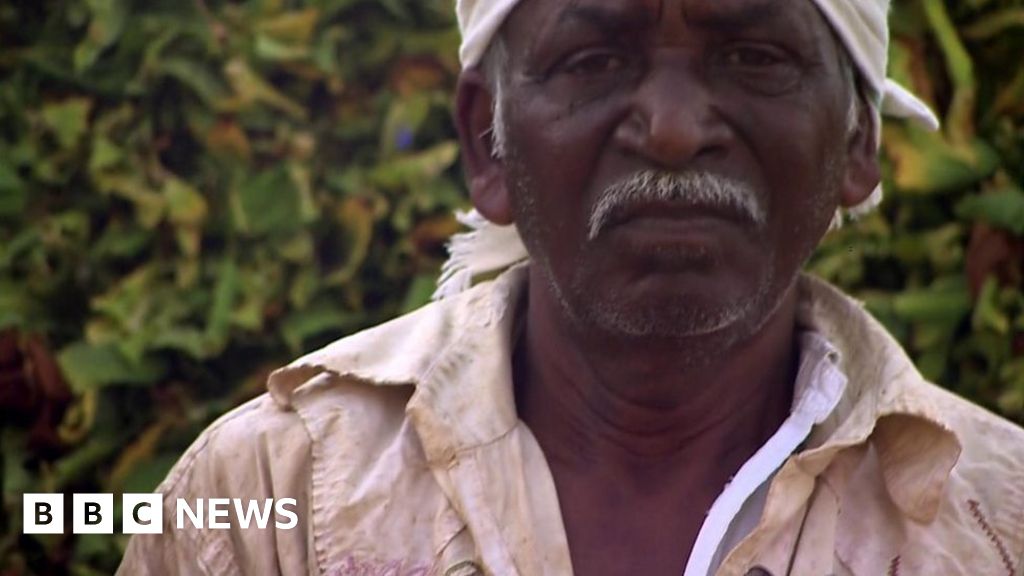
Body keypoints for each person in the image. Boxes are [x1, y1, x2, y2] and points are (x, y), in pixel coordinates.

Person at [118, 0, 1024, 574]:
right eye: (594, 61)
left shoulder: (999, 526)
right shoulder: (272, 499)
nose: (672, 131)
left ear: (857, 141)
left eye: (753, 57)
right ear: (487, 143)